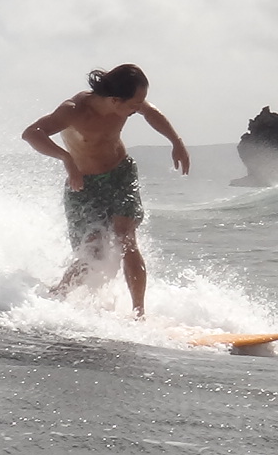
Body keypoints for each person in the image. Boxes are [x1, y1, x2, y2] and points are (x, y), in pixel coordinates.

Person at [22, 64, 190, 317]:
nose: (138, 108)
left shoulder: (126, 105)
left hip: (121, 174)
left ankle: (139, 314)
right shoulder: (74, 111)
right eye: (134, 104)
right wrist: (67, 159)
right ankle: (57, 298)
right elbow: (32, 134)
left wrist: (176, 141)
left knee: (126, 238)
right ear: (114, 99)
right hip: (84, 185)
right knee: (93, 252)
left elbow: (150, 112)